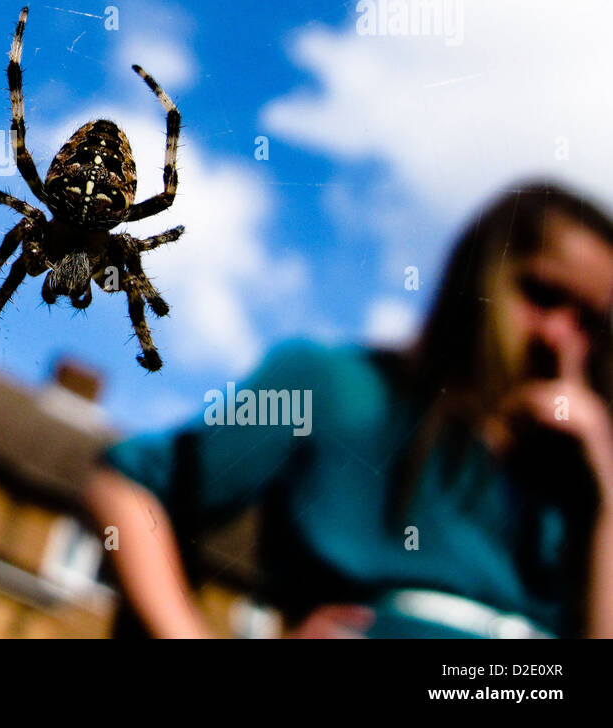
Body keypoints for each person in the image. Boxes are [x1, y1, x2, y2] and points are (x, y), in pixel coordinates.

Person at [85, 180, 613, 638]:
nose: (558, 337)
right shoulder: (333, 386)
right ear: (479, 276)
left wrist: (606, 491)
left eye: (588, 321)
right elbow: (130, 488)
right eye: (542, 296)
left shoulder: (570, 484)